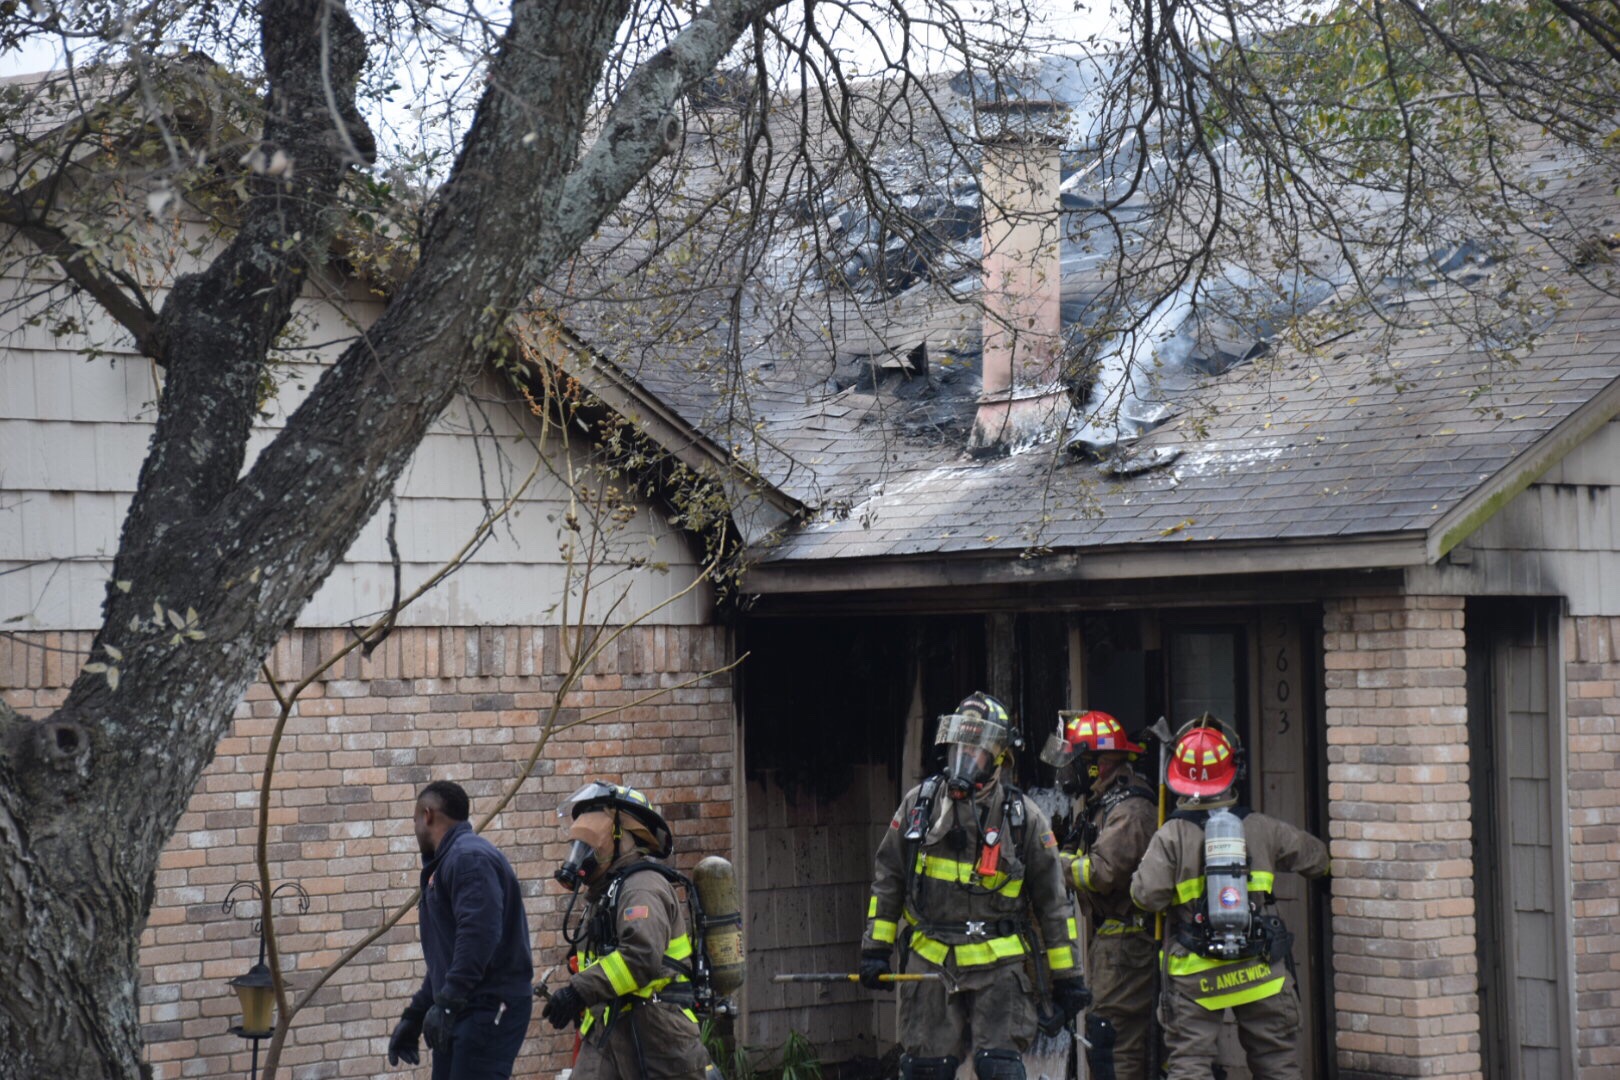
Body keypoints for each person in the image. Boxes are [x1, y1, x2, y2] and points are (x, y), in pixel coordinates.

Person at [860, 692, 1091, 1080]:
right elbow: (889, 879)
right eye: (960, 747)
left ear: (999, 759)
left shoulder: (1023, 819)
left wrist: (1067, 976)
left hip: (1000, 969)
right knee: (924, 1071)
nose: (965, 759)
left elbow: (1054, 904)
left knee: (999, 1069)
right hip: (930, 965)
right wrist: (875, 949)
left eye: (977, 750)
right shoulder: (920, 806)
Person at [1130, 720, 1329, 1080]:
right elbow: (1317, 858)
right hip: (1261, 970)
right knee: (1278, 1065)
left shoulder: (1171, 834)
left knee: (1190, 1067)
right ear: (1233, 772)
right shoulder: (1262, 827)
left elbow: (1146, 896)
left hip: (1196, 976)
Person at [539, 781, 711, 1080]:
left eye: (590, 841)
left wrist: (577, 992)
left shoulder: (641, 887)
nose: (581, 852)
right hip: (609, 1033)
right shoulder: (605, 893)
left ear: (621, 834)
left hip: (659, 1039)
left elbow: (639, 958)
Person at [387, 780, 534, 1079]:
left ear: (427, 815)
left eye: (414, 819)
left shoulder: (469, 858)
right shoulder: (448, 862)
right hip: (461, 1006)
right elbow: (451, 955)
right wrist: (416, 1014)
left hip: (488, 1005)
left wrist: (448, 1002)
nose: (414, 827)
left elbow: (478, 937)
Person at [1044, 710, 1157, 1080]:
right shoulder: (1103, 804)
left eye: (1075, 762)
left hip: (1128, 944)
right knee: (1104, 1037)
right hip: (1111, 943)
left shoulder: (1131, 809)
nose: (1067, 772)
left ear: (1098, 763)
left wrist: (1051, 863)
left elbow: (1102, 872)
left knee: (1113, 1042)